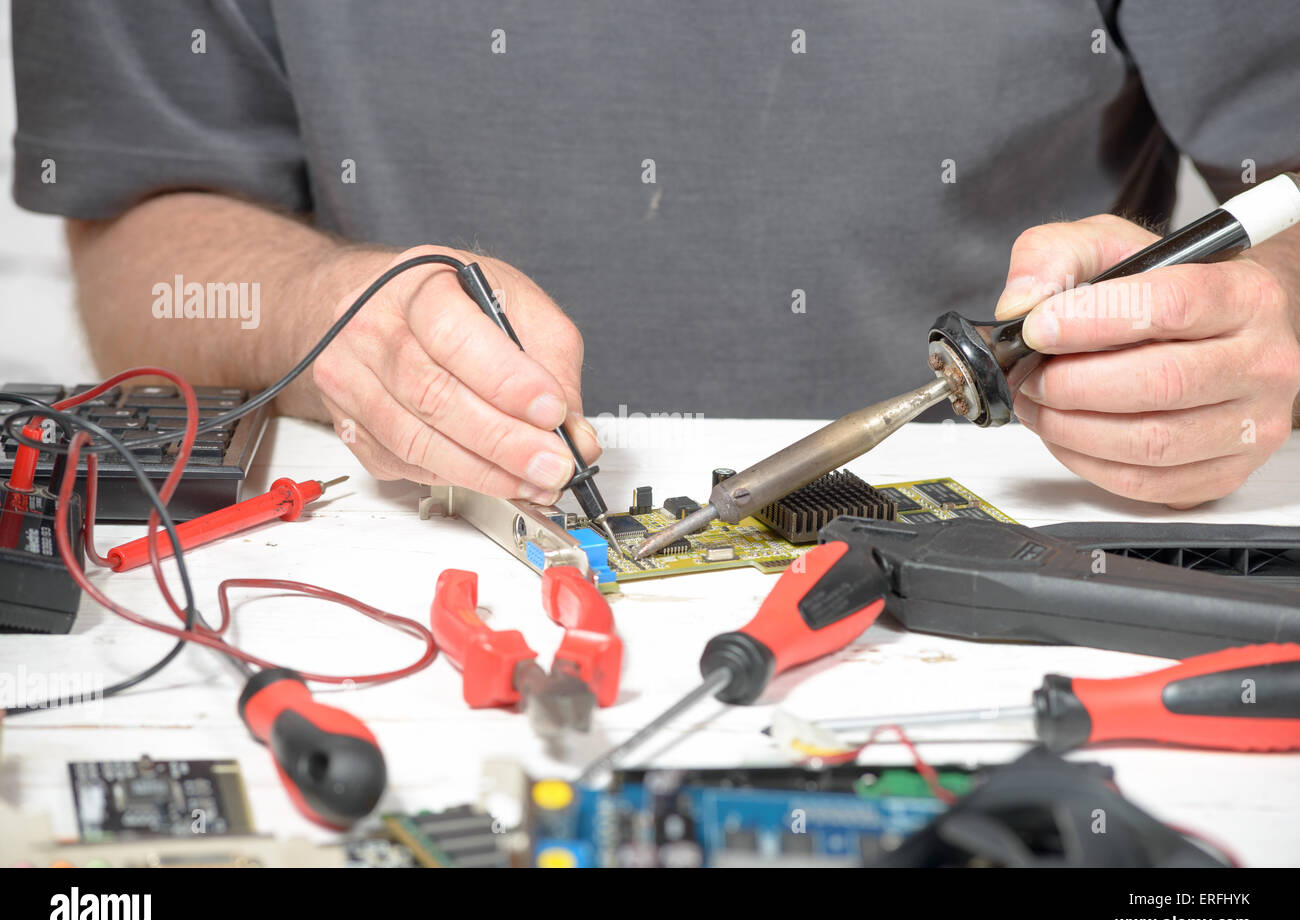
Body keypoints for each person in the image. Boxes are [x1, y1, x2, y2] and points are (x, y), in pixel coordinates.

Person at [12, 1, 1300, 509]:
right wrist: (326, 308)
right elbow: (146, 233)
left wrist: (1250, 335)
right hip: (410, 546)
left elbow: (1281, 212)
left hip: (1040, 548)